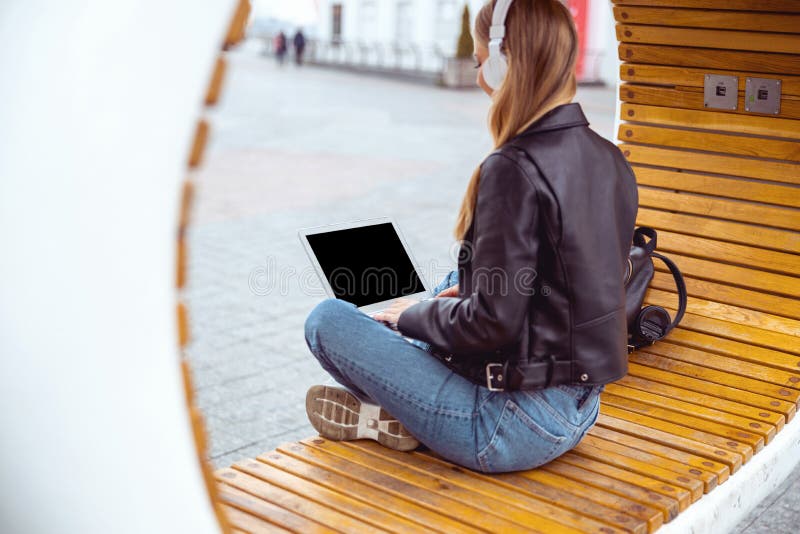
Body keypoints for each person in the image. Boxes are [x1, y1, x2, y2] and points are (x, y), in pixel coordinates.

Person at [303, 0, 638, 474]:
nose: (481, 75)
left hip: (507, 425)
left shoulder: (512, 169)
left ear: (504, 64)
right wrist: (452, 300)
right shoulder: (611, 159)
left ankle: (407, 407)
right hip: (580, 410)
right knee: (446, 283)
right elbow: (564, 285)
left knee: (327, 320)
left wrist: (414, 318)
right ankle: (400, 410)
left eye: (482, 61)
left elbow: (491, 326)